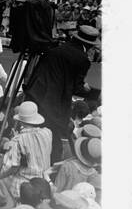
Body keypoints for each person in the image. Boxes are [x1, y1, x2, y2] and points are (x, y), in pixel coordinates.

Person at [23, 24, 100, 159]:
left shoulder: (56, 49)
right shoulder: (82, 60)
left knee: (31, 130)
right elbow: (77, 88)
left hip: (36, 94)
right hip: (53, 104)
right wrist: (92, 91)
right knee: (52, 137)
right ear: (89, 45)